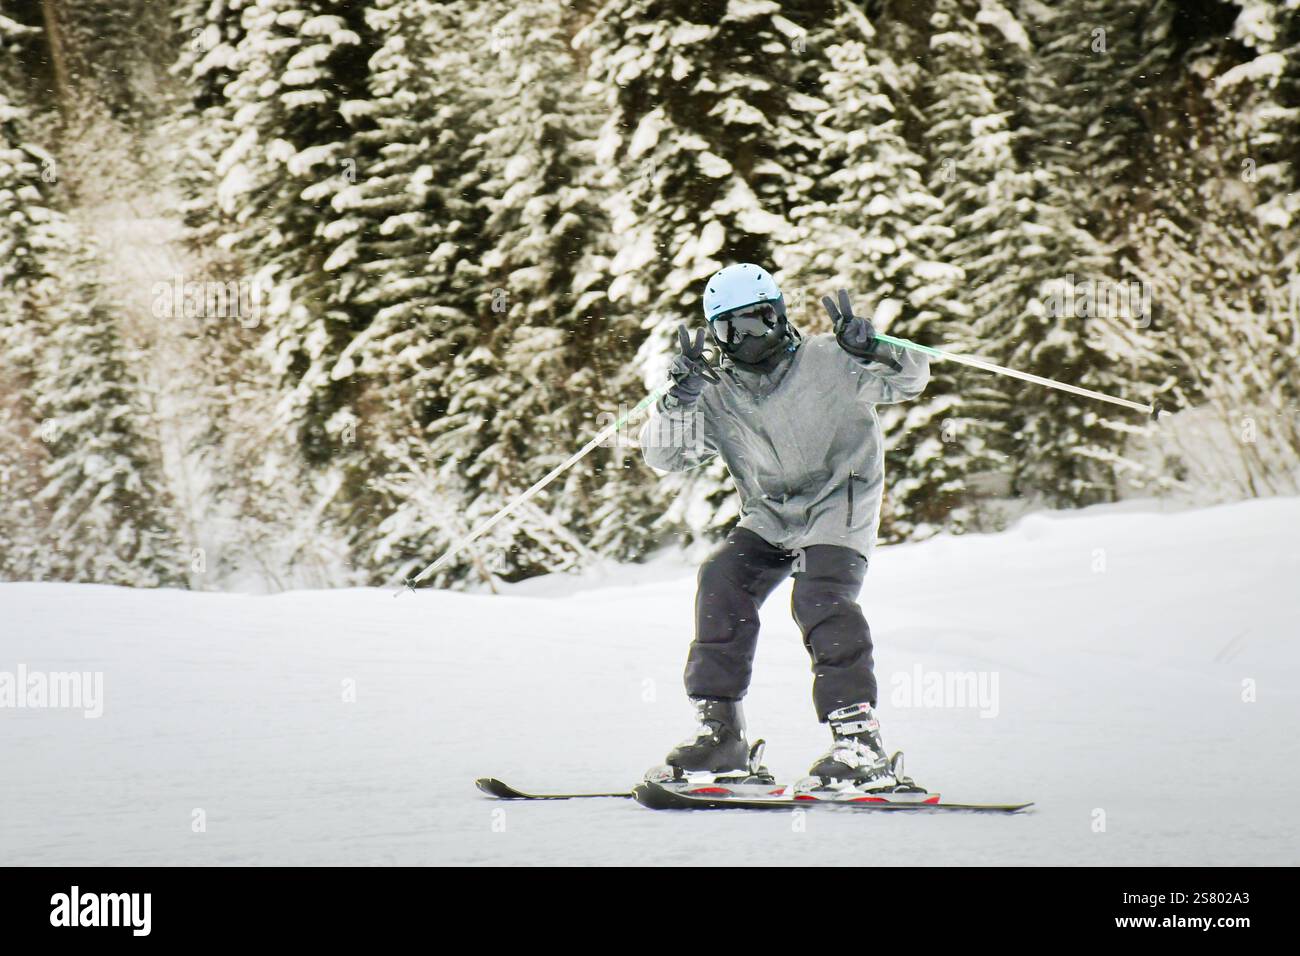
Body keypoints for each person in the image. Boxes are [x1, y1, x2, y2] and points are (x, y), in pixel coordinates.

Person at [639, 262, 930, 788]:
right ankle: (721, 736)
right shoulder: (714, 390)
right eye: (732, 329)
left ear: (779, 313)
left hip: (839, 502)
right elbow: (666, 456)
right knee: (721, 580)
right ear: (716, 335)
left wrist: (873, 348)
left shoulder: (831, 357)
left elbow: (911, 379)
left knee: (818, 597)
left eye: (759, 320)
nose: (750, 337)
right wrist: (677, 402)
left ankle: (859, 743)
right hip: (770, 513)